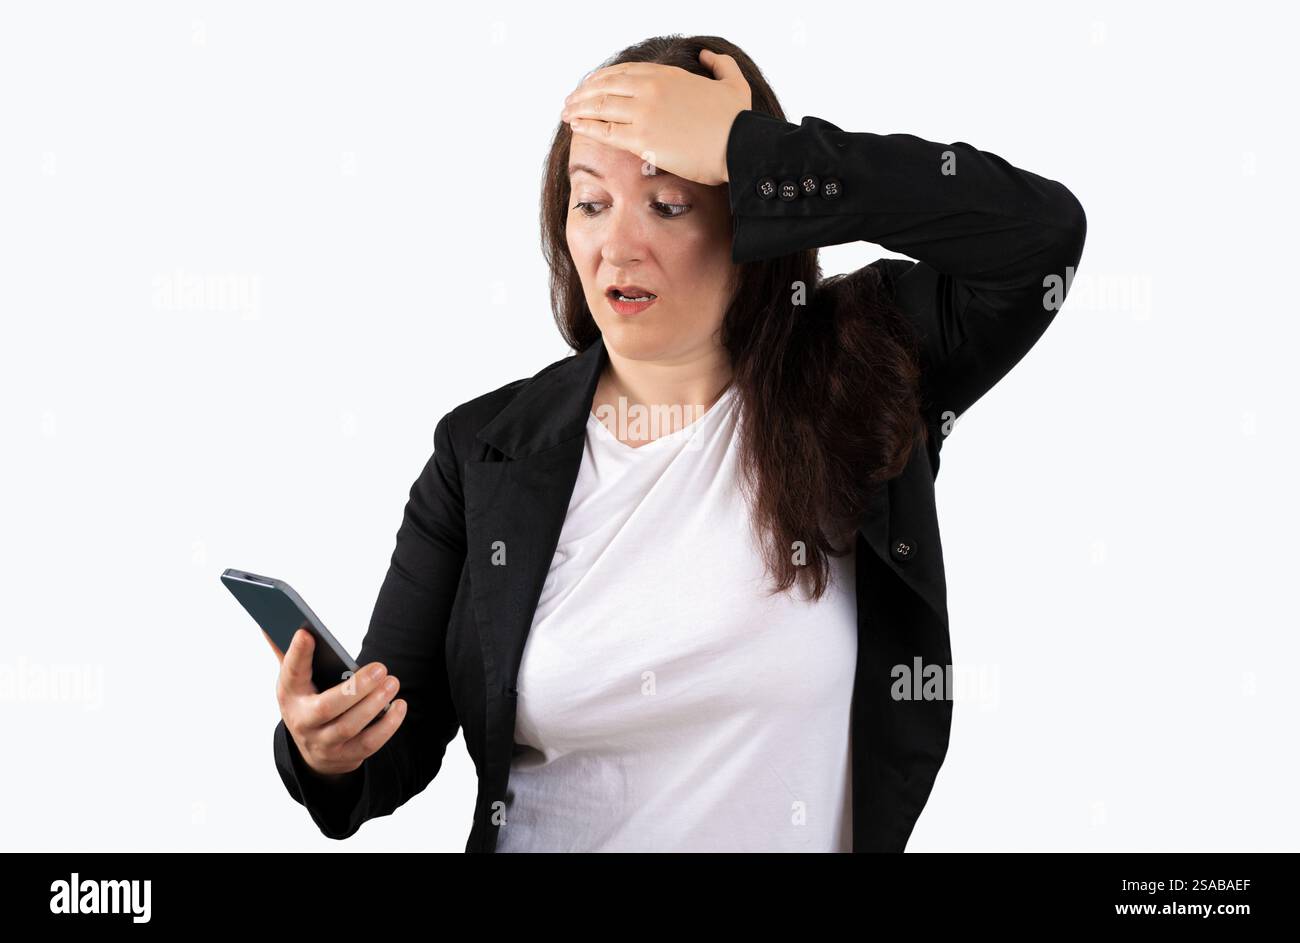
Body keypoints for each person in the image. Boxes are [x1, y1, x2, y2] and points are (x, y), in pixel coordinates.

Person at [270, 33, 1087, 852]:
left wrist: (763, 151)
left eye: (667, 204)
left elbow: (1040, 237)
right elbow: (391, 739)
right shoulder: (482, 451)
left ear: (749, 217)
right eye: (591, 203)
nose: (616, 246)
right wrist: (325, 748)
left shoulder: (865, 370)